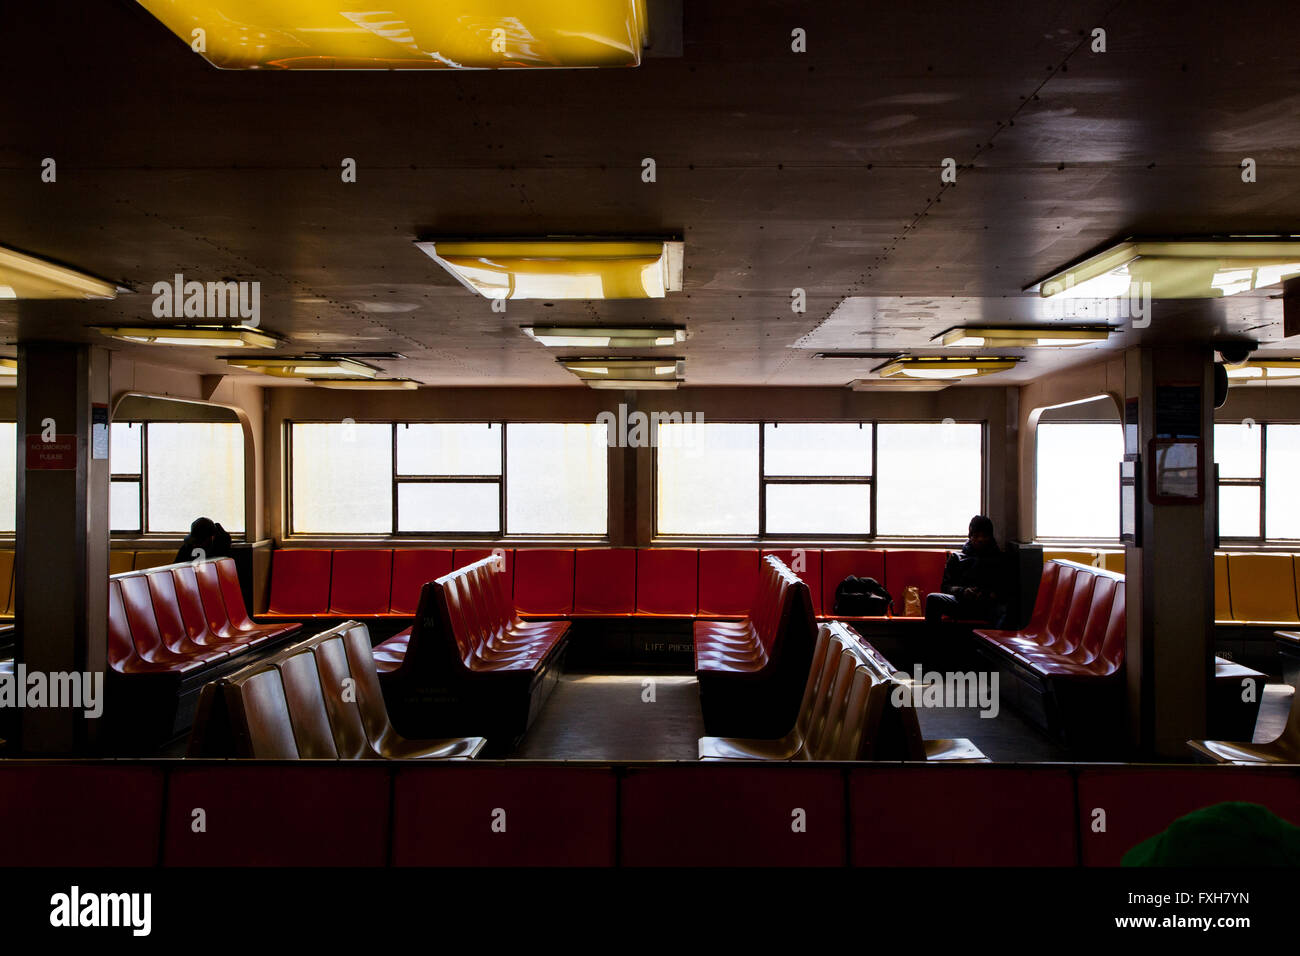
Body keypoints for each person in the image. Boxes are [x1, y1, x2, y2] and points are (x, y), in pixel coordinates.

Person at [924, 515, 1008, 627]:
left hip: (988, 607)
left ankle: (995, 643)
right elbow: (945, 587)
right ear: (970, 536)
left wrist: (988, 594)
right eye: (976, 536)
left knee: (1007, 608)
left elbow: (1006, 590)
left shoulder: (1000, 560)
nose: (980, 540)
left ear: (990, 537)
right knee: (933, 599)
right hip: (962, 604)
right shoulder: (957, 558)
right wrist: (963, 591)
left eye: (984, 536)